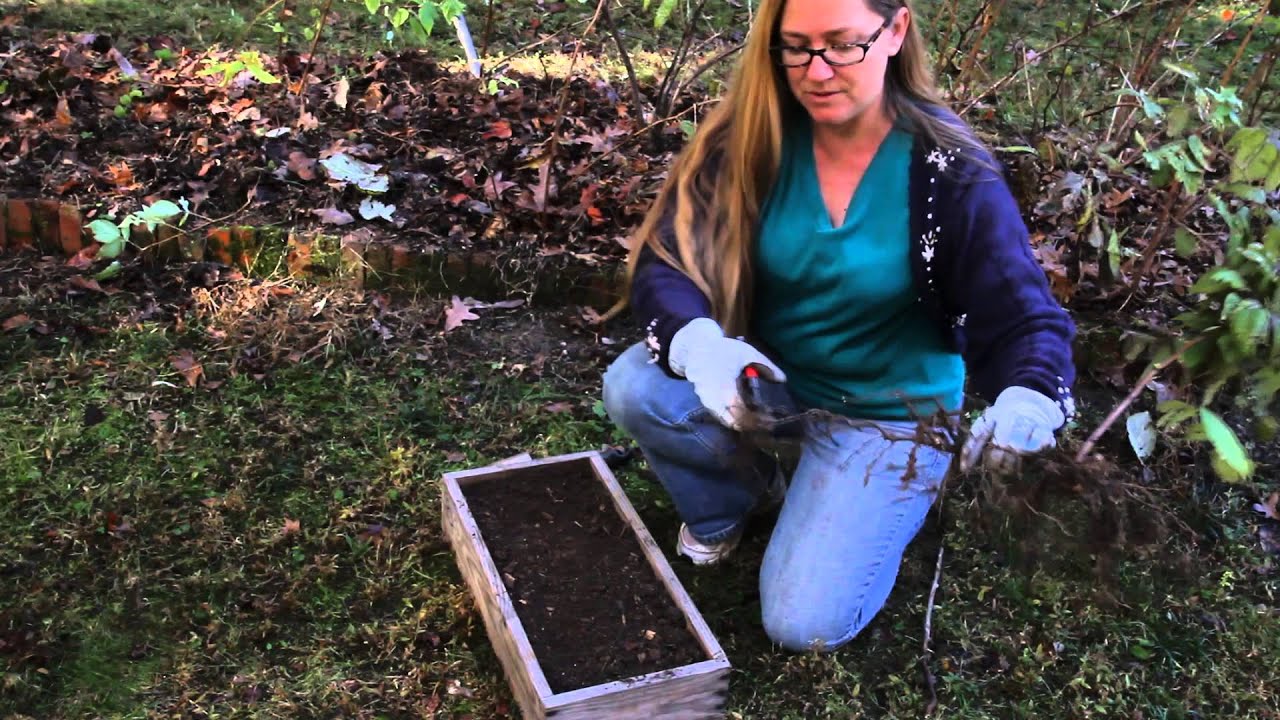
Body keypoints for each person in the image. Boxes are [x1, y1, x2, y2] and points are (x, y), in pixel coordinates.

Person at [601, 0, 1077, 653]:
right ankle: (740, 499)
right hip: (768, 386)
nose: (817, 71)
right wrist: (701, 346)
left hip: (889, 418)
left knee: (803, 622)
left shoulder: (946, 171)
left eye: (844, 44)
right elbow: (668, 261)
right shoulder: (753, 138)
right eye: (796, 47)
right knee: (636, 387)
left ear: (896, 30)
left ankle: (877, 495)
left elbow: (1023, 313)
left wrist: (1032, 394)